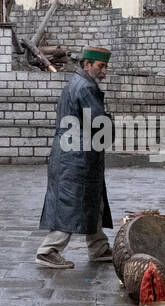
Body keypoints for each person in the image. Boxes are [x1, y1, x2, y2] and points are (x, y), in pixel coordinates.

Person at [36, 47, 116, 269]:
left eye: (106, 66)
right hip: (77, 159)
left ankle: (99, 248)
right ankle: (48, 251)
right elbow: (99, 125)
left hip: (73, 155)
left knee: (94, 202)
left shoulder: (74, 84)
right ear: (87, 65)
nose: (104, 71)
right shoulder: (86, 88)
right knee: (71, 204)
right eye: (101, 66)